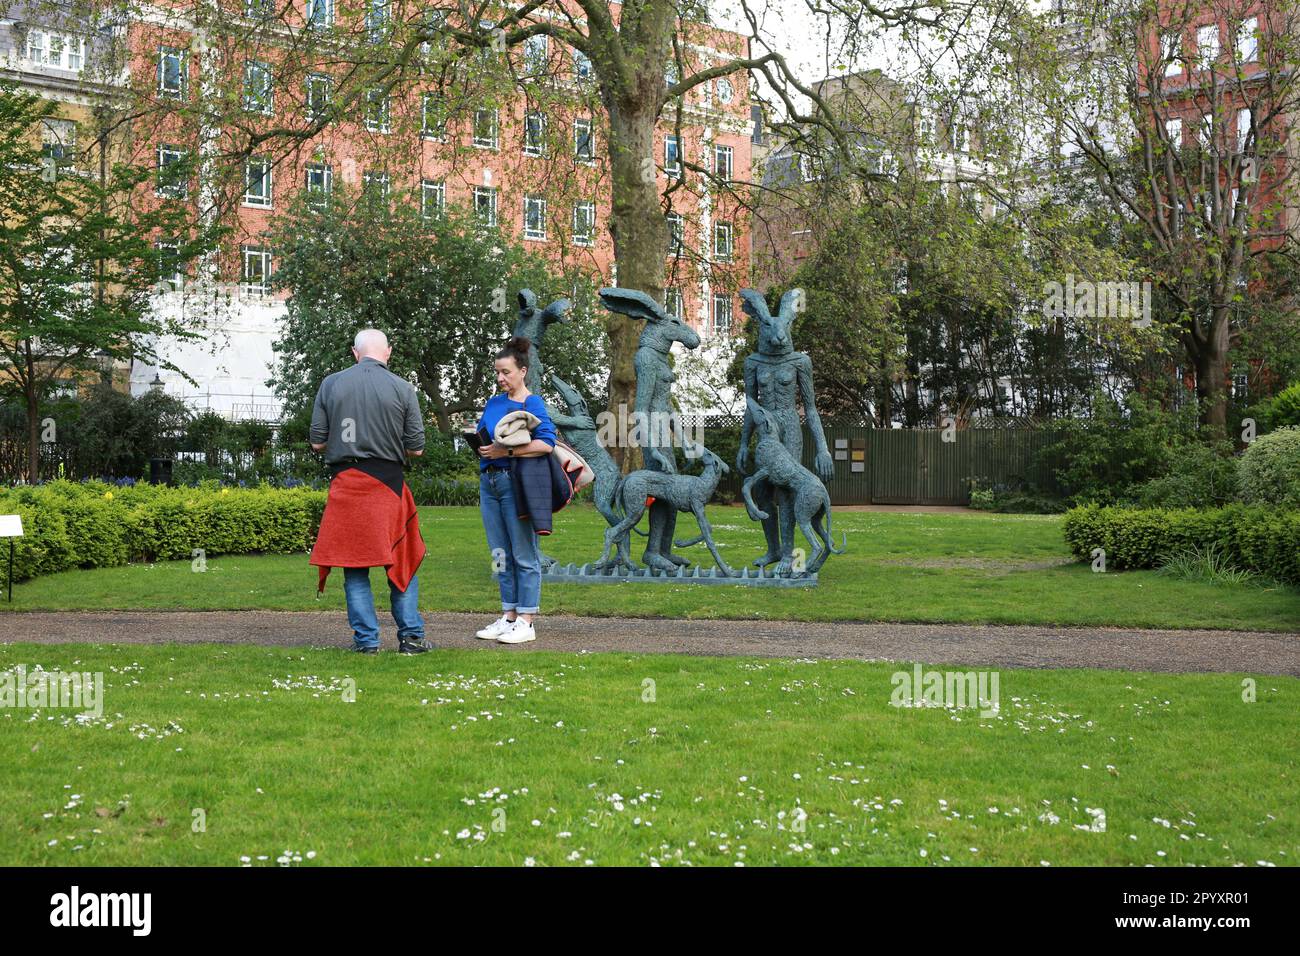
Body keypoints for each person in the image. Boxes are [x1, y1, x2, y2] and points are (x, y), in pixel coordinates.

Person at [308, 329, 431, 654]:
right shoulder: (403, 388)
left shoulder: (331, 384)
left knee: (355, 567)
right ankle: (411, 639)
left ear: (354, 352)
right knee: (401, 561)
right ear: (388, 352)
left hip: (346, 485)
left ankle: (366, 643)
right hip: (388, 486)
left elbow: (318, 442)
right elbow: (416, 448)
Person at [474, 336, 557, 645]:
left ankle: (527, 620)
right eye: (497, 372)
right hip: (489, 483)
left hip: (515, 483)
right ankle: (509, 616)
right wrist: (482, 447)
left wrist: (504, 453)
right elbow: (488, 438)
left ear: (522, 371)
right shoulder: (494, 403)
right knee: (500, 554)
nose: (500, 378)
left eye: (505, 372)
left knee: (524, 553)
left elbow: (546, 444)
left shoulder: (532, 403)